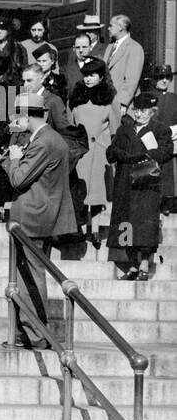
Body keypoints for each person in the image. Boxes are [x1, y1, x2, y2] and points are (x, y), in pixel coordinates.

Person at [2, 93, 76, 347]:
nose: (14, 121)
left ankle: (35, 334)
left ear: (25, 115)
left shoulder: (43, 142)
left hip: (32, 216)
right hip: (41, 214)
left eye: (16, 115)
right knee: (28, 275)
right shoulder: (49, 139)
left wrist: (13, 159)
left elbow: (19, 179)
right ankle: (30, 333)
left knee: (28, 277)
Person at [106, 91, 172, 280]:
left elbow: (166, 151)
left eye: (144, 111)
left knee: (144, 225)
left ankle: (144, 263)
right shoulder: (124, 129)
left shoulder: (159, 129)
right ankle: (133, 264)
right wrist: (120, 154)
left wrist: (148, 156)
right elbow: (112, 149)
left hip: (146, 183)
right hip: (124, 184)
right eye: (137, 110)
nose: (139, 114)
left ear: (153, 111)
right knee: (126, 223)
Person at [69, 57, 117, 238]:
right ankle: (80, 229)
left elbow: (115, 127)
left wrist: (109, 149)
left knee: (97, 193)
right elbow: (70, 123)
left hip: (99, 151)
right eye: (86, 75)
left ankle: (95, 229)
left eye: (93, 75)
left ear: (101, 77)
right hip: (80, 151)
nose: (88, 79)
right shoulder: (76, 96)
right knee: (80, 190)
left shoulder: (109, 97)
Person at [151, 64, 177, 214]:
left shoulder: (174, 99)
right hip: (153, 141)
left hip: (171, 141)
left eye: (167, 77)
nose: (164, 81)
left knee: (169, 172)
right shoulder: (149, 97)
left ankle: (168, 203)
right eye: (161, 77)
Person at [105, 14, 145, 109]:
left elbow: (131, 80)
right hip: (106, 102)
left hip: (121, 105)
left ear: (120, 28)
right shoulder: (110, 46)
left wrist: (123, 103)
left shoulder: (134, 48)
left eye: (111, 26)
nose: (108, 28)